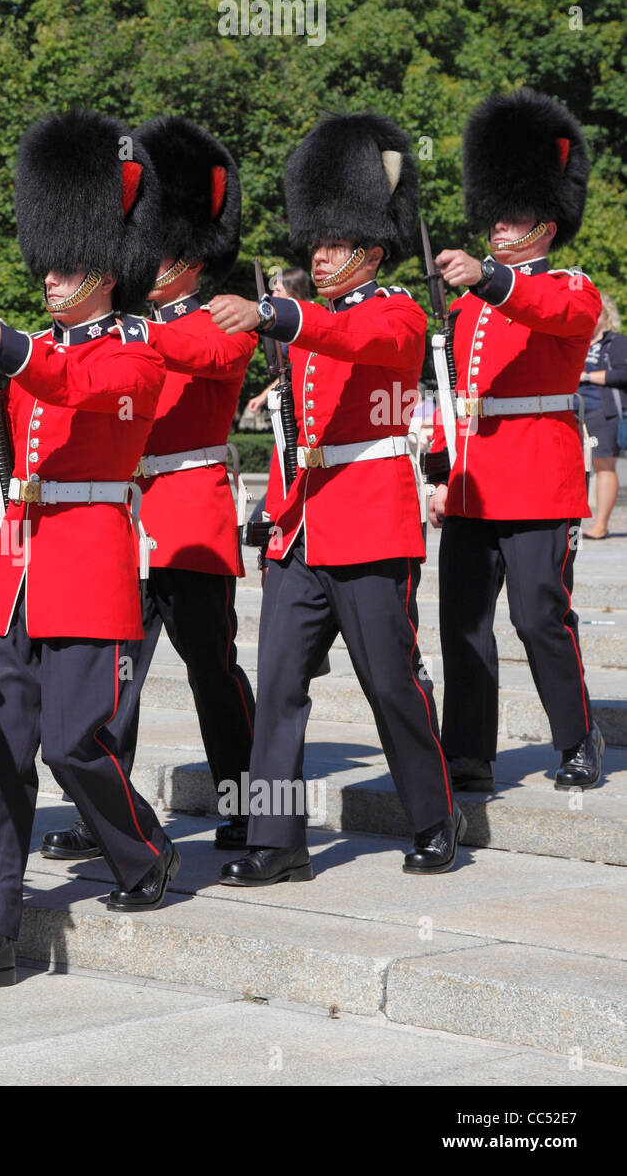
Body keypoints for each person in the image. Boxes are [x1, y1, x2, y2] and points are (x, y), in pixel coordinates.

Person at [0, 108, 176, 989]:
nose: (53, 278)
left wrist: (5, 342)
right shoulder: (29, 352)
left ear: (107, 268)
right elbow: (7, 460)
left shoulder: (135, 344)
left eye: (69, 265)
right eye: (49, 263)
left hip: (90, 557)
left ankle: (141, 850)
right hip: (17, 561)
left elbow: (87, 384)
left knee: (73, 744)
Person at [209, 112, 462, 886]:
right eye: (314, 245)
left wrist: (279, 315)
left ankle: (433, 815)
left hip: (371, 522)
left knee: (391, 681)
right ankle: (277, 837)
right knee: (280, 685)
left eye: (334, 244)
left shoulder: (396, 313)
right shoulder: (314, 322)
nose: (317, 256)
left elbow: (361, 345)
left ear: (372, 251)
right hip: (301, 525)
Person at [39, 116, 257, 859]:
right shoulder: (125, 325)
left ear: (191, 255)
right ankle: (104, 809)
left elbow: (205, 353)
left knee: (212, 670)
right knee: (114, 679)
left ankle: (244, 800)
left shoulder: (223, 319)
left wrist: (114, 322)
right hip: (125, 519)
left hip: (192, 512)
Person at [427, 88, 604, 791]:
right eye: (496, 214)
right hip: (473, 483)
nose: (499, 226)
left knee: (540, 619)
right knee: (464, 628)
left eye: (516, 214)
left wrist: (493, 277)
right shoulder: (469, 304)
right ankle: (468, 751)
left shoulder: (569, 287)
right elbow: (456, 389)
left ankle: (576, 737)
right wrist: (440, 461)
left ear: (546, 222)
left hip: (536, 481)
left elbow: (548, 311)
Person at [580, 295, 627, 539]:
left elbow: (622, 374)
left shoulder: (616, 342)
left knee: (604, 466)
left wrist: (586, 376)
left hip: (602, 410)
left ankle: (601, 525)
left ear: (605, 315)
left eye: (595, 312)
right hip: (573, 410)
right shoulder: (576, 339)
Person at [243, 269, 311, 418]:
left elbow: (294, 372)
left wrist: (263, 396)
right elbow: (287, 371)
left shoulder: (306, 324)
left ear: (293, 292)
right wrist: (263, 396)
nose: (273, 296)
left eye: (278, 290)